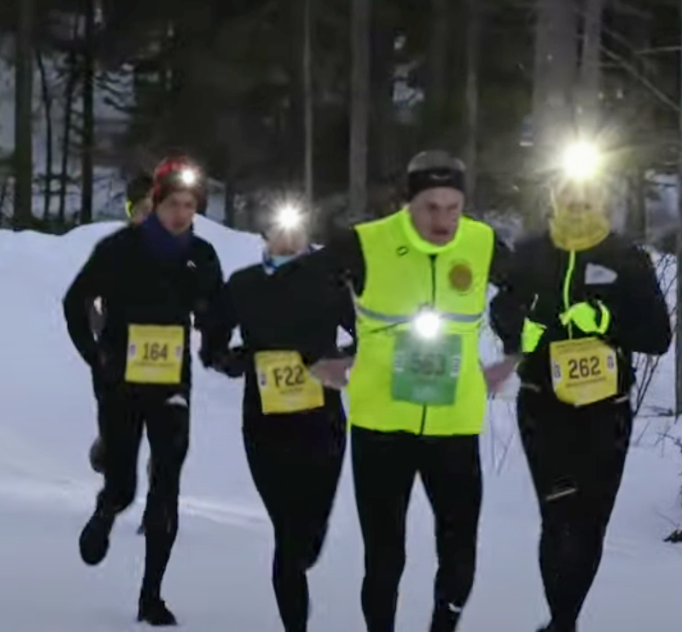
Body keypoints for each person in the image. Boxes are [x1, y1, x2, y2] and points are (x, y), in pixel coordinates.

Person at [305, 150, 518, 632]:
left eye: (453, 208)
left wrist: (512, 352)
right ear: (408, 202)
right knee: (385, 557)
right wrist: (319, 356)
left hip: (454, 425)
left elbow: (526, 291)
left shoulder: (482, 242)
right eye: (430, 207)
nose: (442, 221)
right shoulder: (366, 242)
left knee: (460, 555)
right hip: (381, 425)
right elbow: (298, 291)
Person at [488, 145, 671, 632]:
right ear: (553, 196)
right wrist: (520, 333)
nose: (577, 203)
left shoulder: (627, 258)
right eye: (567, 193)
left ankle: (562, 621)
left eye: (587, 195)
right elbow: (502, 308)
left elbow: (658, 336)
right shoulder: (531, 253)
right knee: (558, 517)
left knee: (589, 523)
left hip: (606, 410)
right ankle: (562, 623)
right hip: (543, 407)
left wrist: (605, 319)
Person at [62, 157, 224, 626]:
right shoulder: (119, 249)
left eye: (189, 206)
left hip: (172, 385)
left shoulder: (201, 256)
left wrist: (216, 345)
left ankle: (151, 595)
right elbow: (75, 301)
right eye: (172, 204)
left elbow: (216, 310)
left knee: (166, 484)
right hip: (120, 383)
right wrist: (95, 355)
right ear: (155, 203)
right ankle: (107, 509)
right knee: (124, 484)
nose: (180, 214)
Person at [201, 205, 353, 632]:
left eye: (296, 231)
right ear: (265, 236)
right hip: (265, 424)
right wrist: (235, 360)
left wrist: (337, 360)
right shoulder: (244, 285)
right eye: (279, 231)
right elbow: (213, 346)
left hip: (322, 423)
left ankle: (305, 548)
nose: (288, 239)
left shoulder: (330, 282)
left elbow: (368, 335)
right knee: (287, 532)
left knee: (309, 536)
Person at [88, 172, 156, 474]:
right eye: (140, 210)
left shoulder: (181, 252)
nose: (147, 217)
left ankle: (160, 475)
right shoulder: (113, 251)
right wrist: (99, 329)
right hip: (118, 351)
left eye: (154, 209)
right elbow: (85, 297)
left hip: (160, 355)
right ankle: (110, 444)